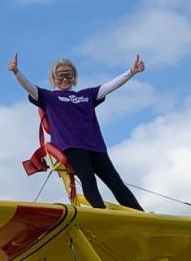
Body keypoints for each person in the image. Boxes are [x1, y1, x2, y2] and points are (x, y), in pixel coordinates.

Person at [9, 53, 144, 211]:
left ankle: (143, 215)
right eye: (60, 76)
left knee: (115, 182)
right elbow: (29, 87)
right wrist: (16, 72)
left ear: (74, 77)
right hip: (71, 146)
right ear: (54, 78)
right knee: (87, 178)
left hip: (95, 146)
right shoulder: (49, 97)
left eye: (68, 75)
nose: (65, 79)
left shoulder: (87, 95)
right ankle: (100, 213)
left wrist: (131, 72)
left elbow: (110, 86)